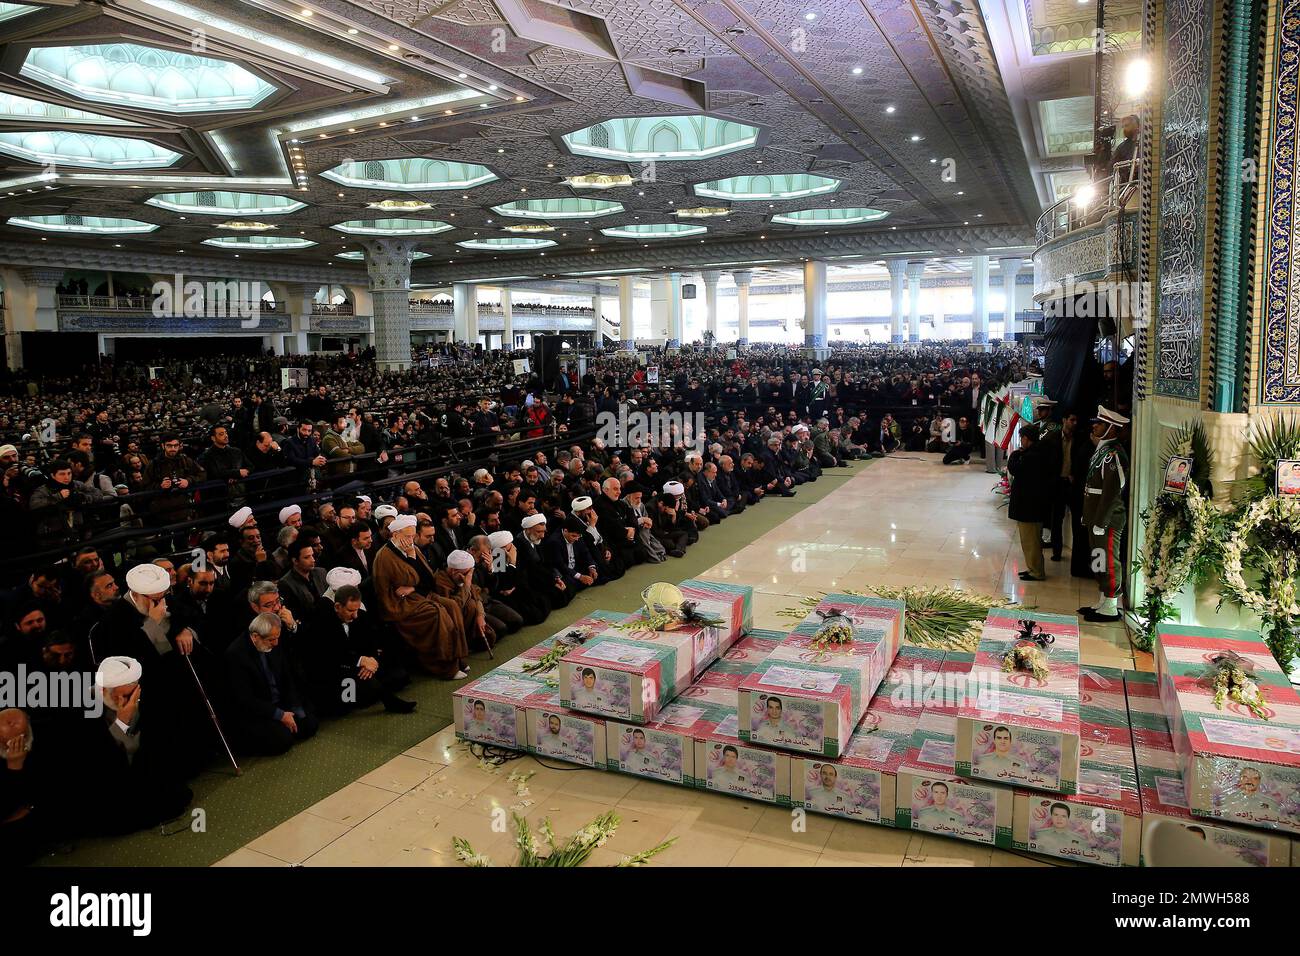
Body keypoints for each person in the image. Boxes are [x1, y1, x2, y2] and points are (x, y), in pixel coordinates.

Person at [371, 515, 469, 679]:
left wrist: (412, 572)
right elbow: (386, 593)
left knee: (451, 606)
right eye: (407, 536)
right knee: (437, 614)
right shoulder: (384, 557)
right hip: (400, 604)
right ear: (395, 535)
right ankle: (445, 667)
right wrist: (411, 587)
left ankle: (458, 658)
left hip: (419, 594)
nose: (410, 540)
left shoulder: (413, 549)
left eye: (412, 536)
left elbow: (428, 579)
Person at [306, 582, 415, 715]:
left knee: (399, 675)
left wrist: (372, 661)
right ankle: (387, 702)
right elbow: (331, 656)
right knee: (353, 696)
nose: (355, 615)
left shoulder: (361, 616)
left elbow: (371, 643)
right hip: (336, 672)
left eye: (357, 609)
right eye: (351, 611)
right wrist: (360, 661)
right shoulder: (322, 623)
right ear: (337, 607)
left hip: (359, 668)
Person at [224, 612, 319, 755]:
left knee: (309, 724)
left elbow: (287, 678)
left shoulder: (272, 644)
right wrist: (280, 715)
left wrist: (295, 706)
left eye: (277, 638)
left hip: (279, 701)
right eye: (271, 640)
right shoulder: (236, 655)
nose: (276, 643)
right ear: (255, 637)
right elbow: (245, 699)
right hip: (258, 710)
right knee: (282, 740)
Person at [1078, 406, 1130, 622]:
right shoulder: (1103, 451)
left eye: (1099, 423)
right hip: (1095, 516)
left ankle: (1110, 604)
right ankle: (1102, 599)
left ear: (1111, 428)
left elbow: (1111, 492)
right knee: (1098, 558)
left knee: (1108, 560)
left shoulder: (1114, 455)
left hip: (1107, 519)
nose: (1094, 426)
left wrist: (1101, 520)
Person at [1007, 423, 1050, 582]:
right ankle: (1032, 568)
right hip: (1029, 505)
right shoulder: (1034, 452)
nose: (1021, 441)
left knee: (1031, 540)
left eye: (1021, 438)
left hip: (1030, 506)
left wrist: (1014, 455)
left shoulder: (1033, 455)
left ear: (1026, 438)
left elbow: (1015, 468)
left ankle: (1037, 572)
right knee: (1028, 540)